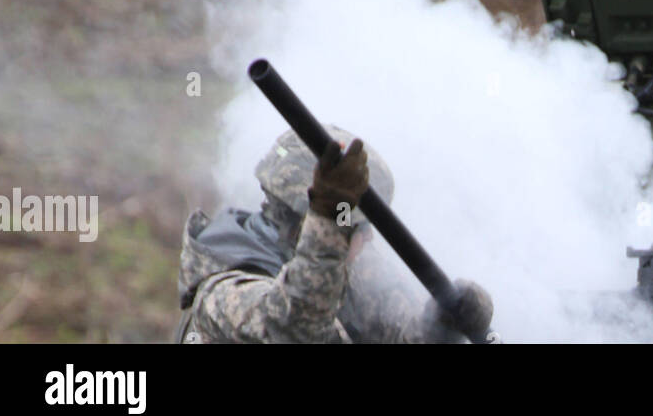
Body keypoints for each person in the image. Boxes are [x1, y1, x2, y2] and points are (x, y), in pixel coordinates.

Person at [175, 125, 492, 343]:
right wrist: (329, 221)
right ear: (312, 224)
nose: (369, 239)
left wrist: (443, 325)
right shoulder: (224, 293)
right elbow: (296, 330)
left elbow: (400, 335)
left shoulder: (351, 266)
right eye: (361, 227)